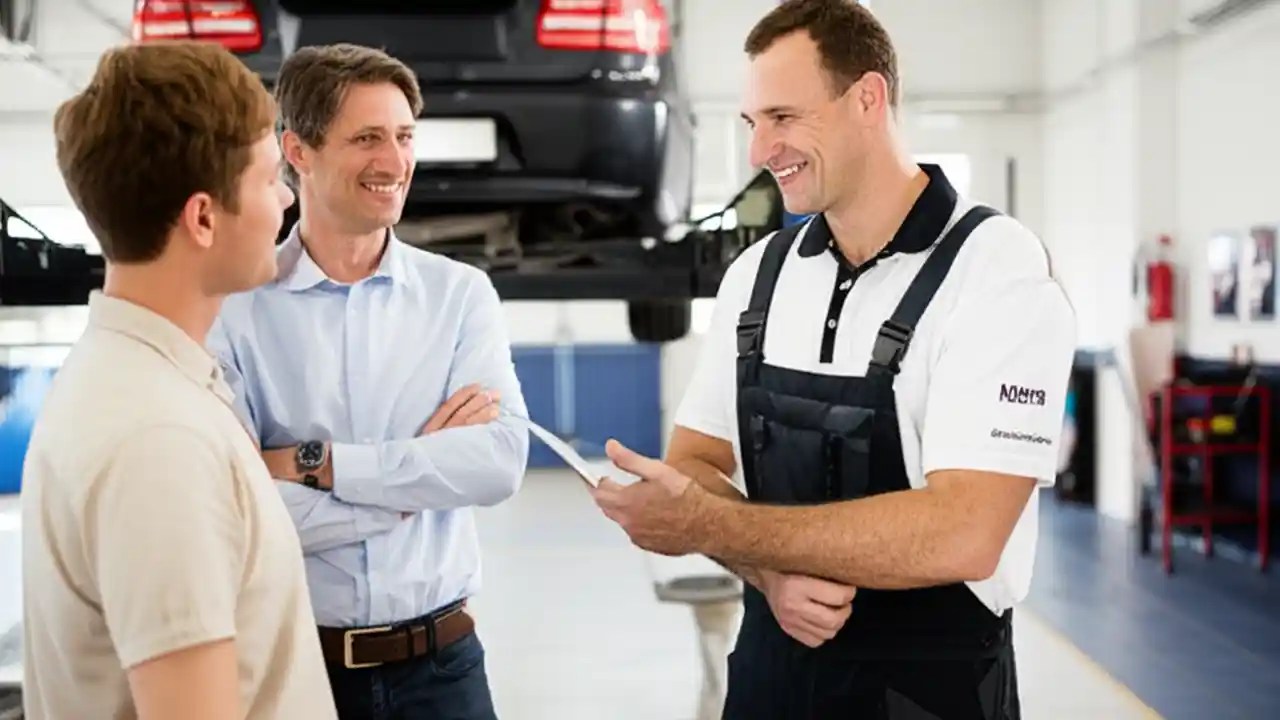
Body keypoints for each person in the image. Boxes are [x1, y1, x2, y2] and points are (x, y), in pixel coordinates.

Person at [591, 1, 1076, 718]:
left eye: (783, 117)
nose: (760, 152)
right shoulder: (757, 275)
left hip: (927, 694)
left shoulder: (996, 270)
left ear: (868, 99)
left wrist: (708, 525)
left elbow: (966, 531)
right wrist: (769, 574)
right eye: (751, 123)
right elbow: (694, 459)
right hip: (769, 682)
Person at [207, 43, 529, 720]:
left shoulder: (459, 295)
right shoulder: (235, 308)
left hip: (445, 674)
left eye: (405, 136)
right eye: (367, 138)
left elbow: (498, 464)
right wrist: (415, 484)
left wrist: (315, 465)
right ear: (298, 151)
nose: (394, 161)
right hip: (295, 671)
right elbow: (241, 516)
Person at [20, 41, 336, 720]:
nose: (285, 197)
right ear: (202, 217)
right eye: (267, 177)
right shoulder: (158, 439)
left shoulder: (137, 381)